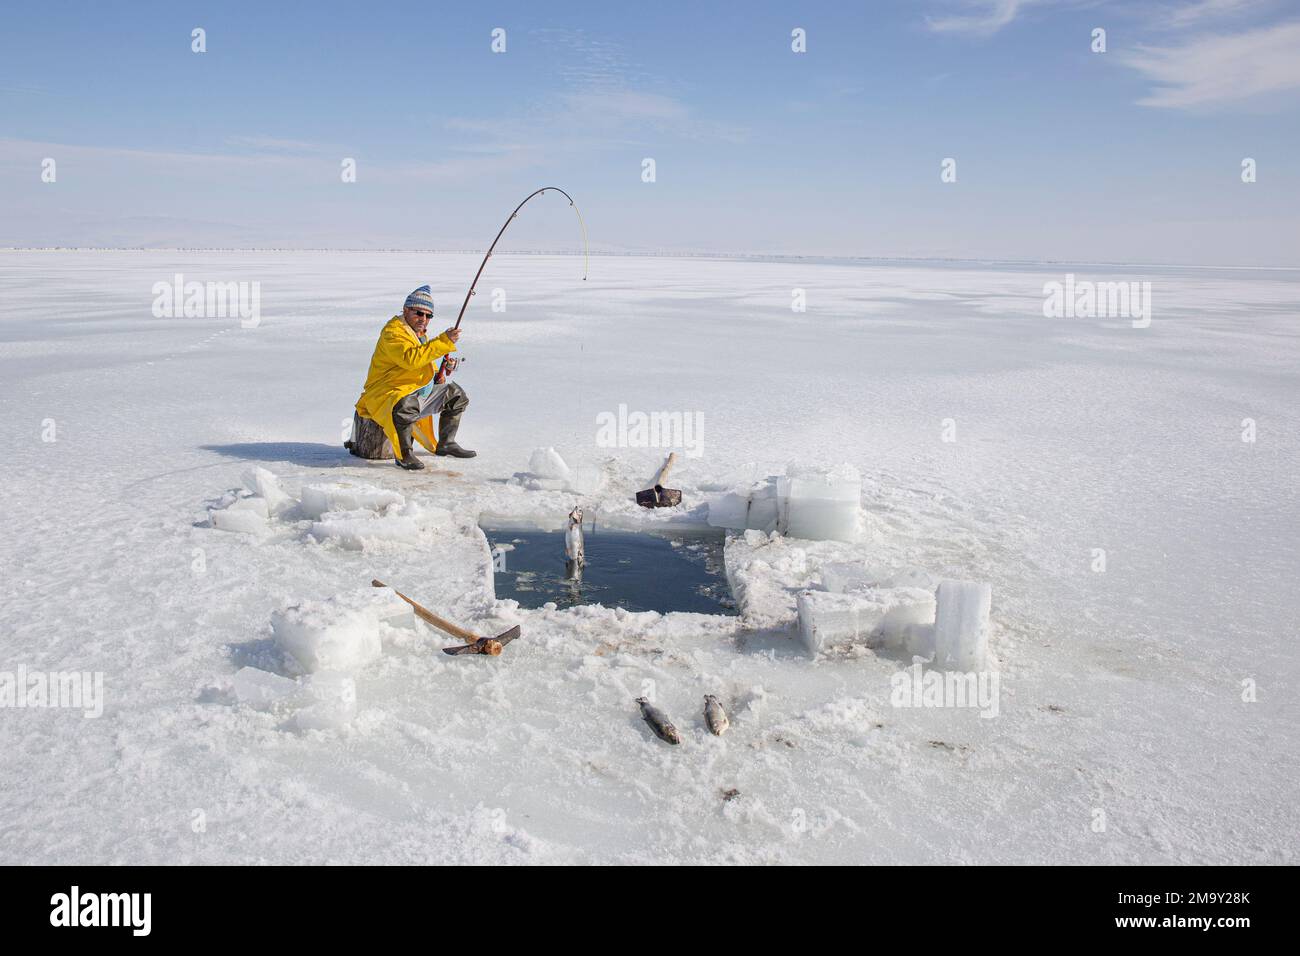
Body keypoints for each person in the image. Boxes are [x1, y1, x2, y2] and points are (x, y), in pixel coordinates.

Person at [354, 285, 477, 470]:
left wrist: (437, 373)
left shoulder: (418, 334)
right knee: (406, 404)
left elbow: (421, 363)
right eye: (419, 313)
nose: (424, 319)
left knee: (456, 395)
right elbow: (410, 359)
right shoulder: (393, 333)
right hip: (386, 394)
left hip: (414, 391)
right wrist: (444, 342)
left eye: (429, 316)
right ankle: (404, 454)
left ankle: (447, 443)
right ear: (406, 310)